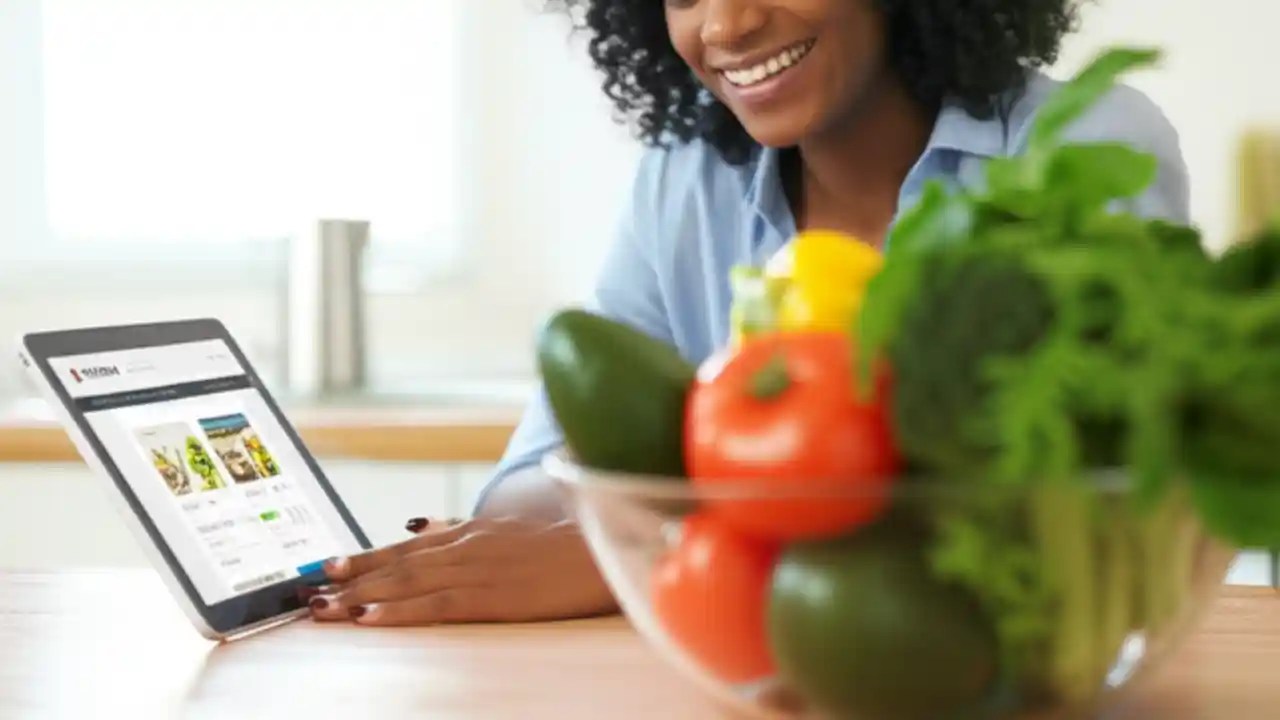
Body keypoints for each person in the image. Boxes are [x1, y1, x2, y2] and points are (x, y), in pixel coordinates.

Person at [307, 0, 1189, 627]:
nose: (724, 26)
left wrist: (630, 555)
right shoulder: (687, 170)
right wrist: (571, 541)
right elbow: (546, 466)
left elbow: (1055, 501)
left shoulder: (1083, 142)